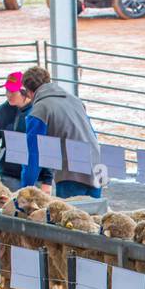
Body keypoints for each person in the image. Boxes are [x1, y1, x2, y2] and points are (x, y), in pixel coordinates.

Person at [20, 66, 97, 197]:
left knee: (69, 215)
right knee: (93, 214)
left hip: (72, 171)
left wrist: (25, 189)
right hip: (97, 165)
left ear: (29, 92)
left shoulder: (40, 109)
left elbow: (33, 153)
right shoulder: (75, 100)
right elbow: (92, 133)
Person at [0, 72, 33, 192]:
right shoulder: (2, 111)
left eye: (12, 91)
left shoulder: (37, 111)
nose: (8, 95)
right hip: (9, 173)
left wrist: (46, 178)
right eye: (7, 91)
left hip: (34, 175)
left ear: (24, 91)